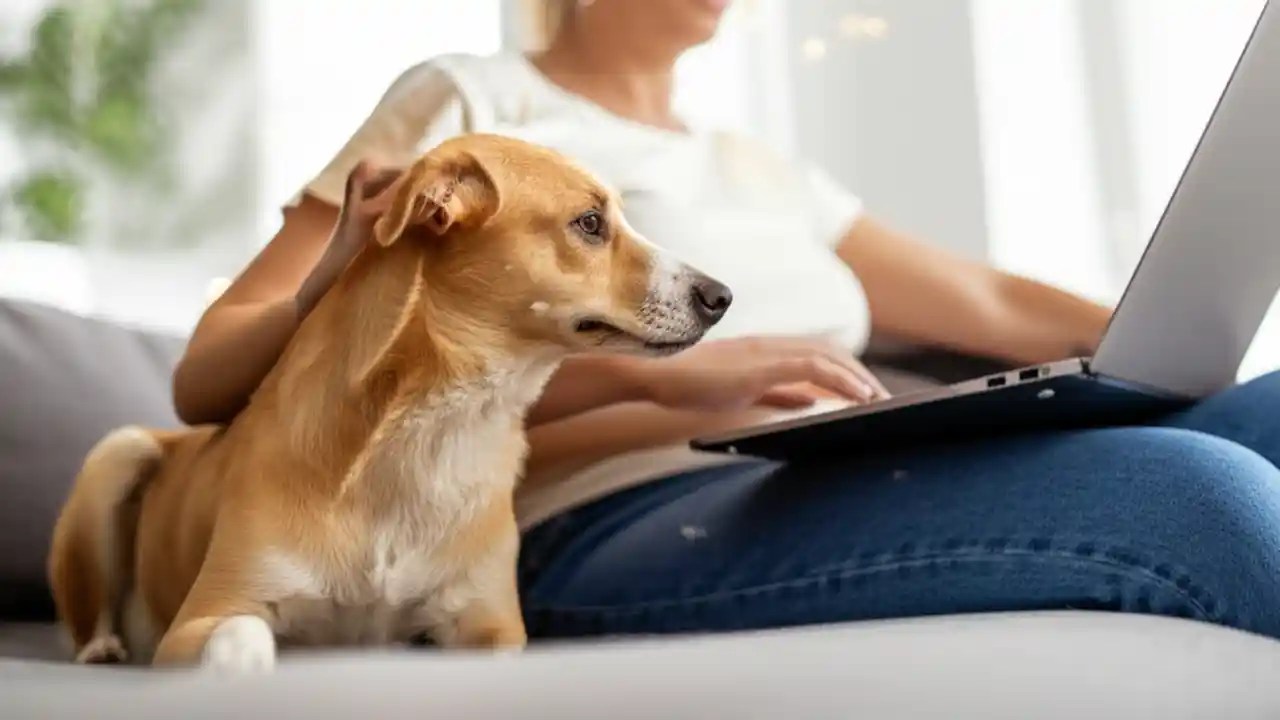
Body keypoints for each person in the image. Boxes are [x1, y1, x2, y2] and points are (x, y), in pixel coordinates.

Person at [173, 0, 1280, 641]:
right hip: (586, 515)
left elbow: (986, 303)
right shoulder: (471, 106)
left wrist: (1181, 326)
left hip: (817, 467)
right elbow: (220, 376)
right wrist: (665, 382)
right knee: (1204, 502)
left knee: (1265, 418)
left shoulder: (758, 165)